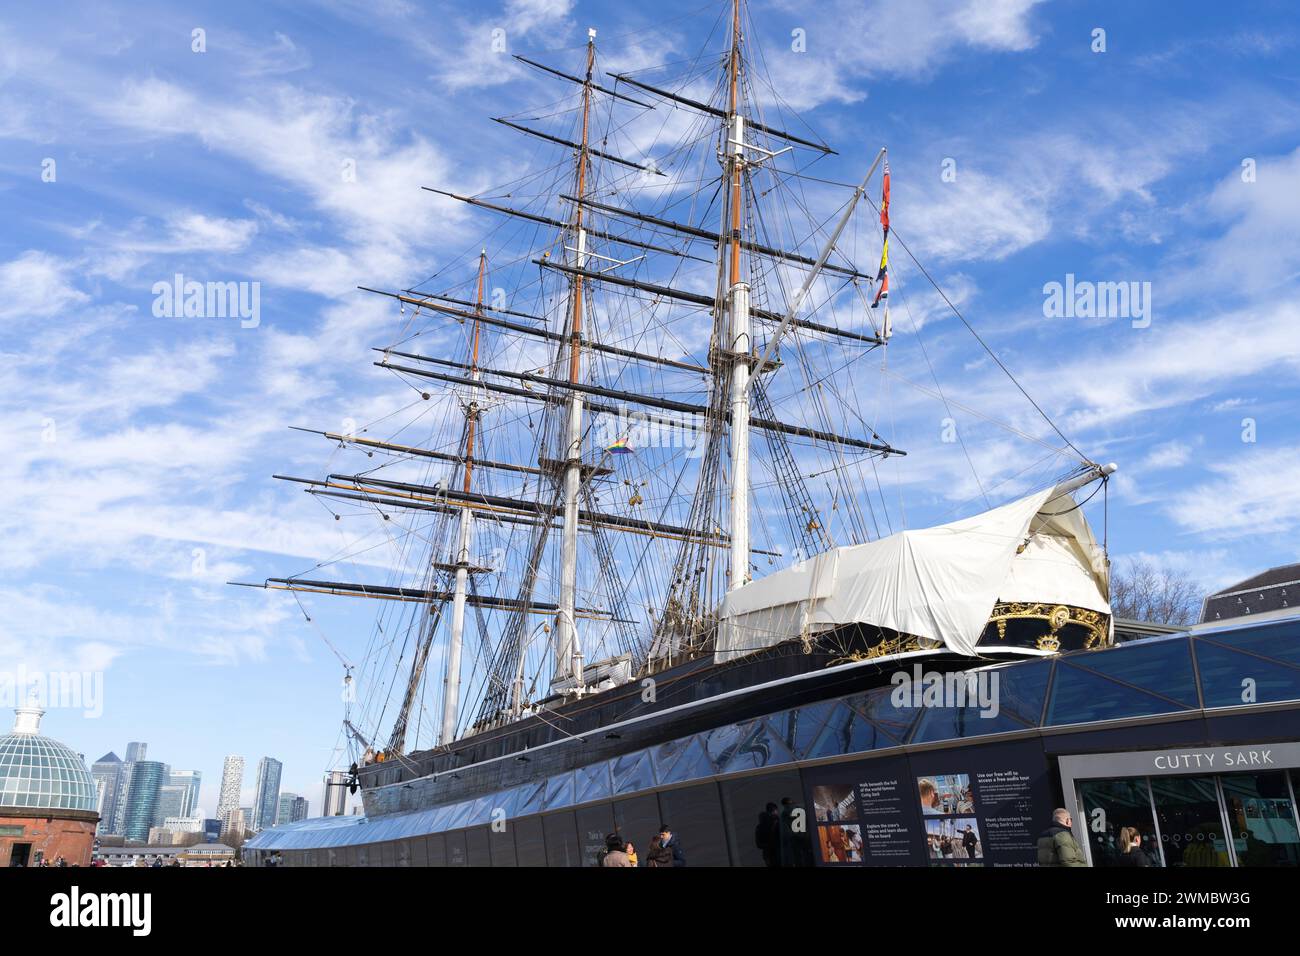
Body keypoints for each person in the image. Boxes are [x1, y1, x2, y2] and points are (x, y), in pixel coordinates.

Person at [755, 802, 781, 867]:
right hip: (778, 852)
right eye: (775, 811)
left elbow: (758, 844)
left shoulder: (759, 827)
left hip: (768, 855)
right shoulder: (778, 822)